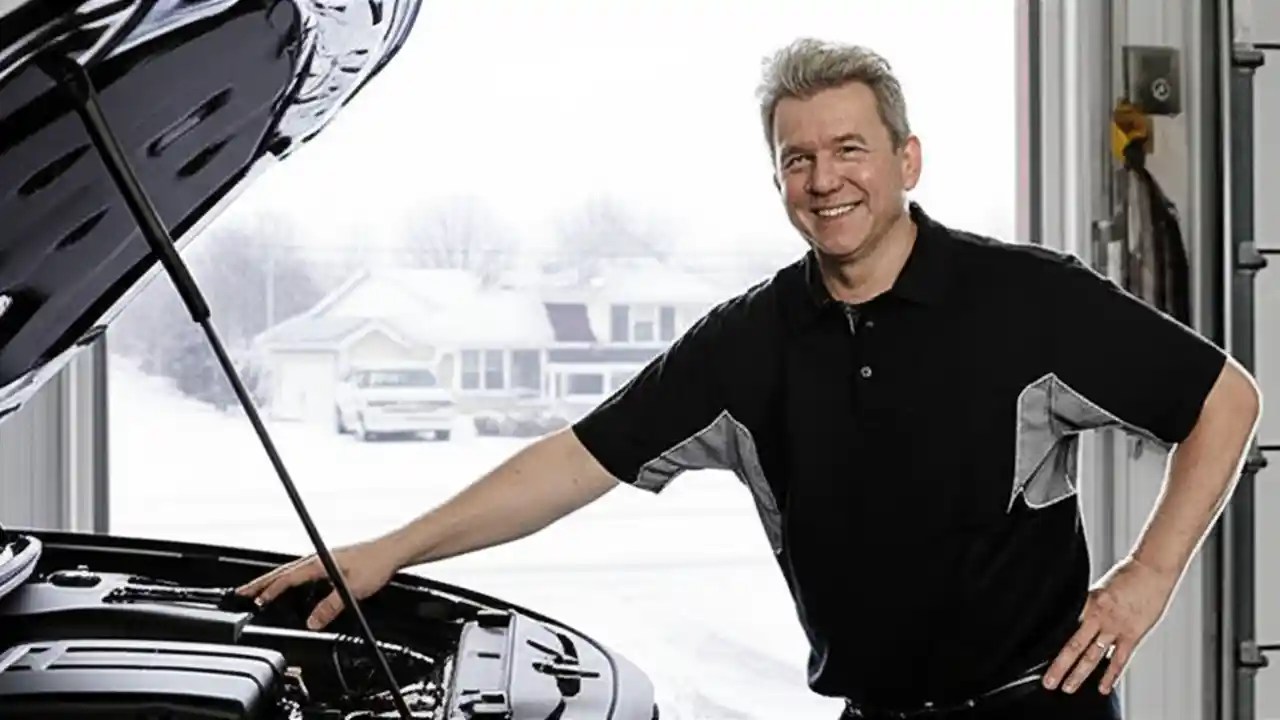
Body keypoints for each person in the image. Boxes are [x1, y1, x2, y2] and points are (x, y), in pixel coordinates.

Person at [237, 39, 1262, 719]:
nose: (824, 181)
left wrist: (1144, 578)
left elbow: (1221, 396)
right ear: (777, 178)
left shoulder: (1026, 300)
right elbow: (572, 461)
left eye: (849, 149)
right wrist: (391, 547)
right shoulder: (746, 345)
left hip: (1035, 704)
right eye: (796, 159)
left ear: (906, 160)